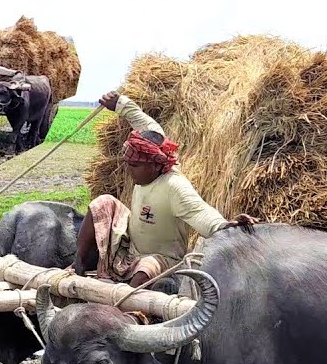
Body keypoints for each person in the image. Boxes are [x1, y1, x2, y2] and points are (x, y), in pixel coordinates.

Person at [73, 91, 258, 287]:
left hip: (162, 260)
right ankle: (77, 268)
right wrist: (120, 102)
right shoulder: (153, 146)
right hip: (130, 248)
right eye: (127, 164)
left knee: (147, 267)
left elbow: (201, 213)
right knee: (102, 203)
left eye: (134, 166)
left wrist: (226, 226)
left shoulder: (174, 187)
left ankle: (126, 306)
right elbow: (145, 123)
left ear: (155, 165)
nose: (128, 171)